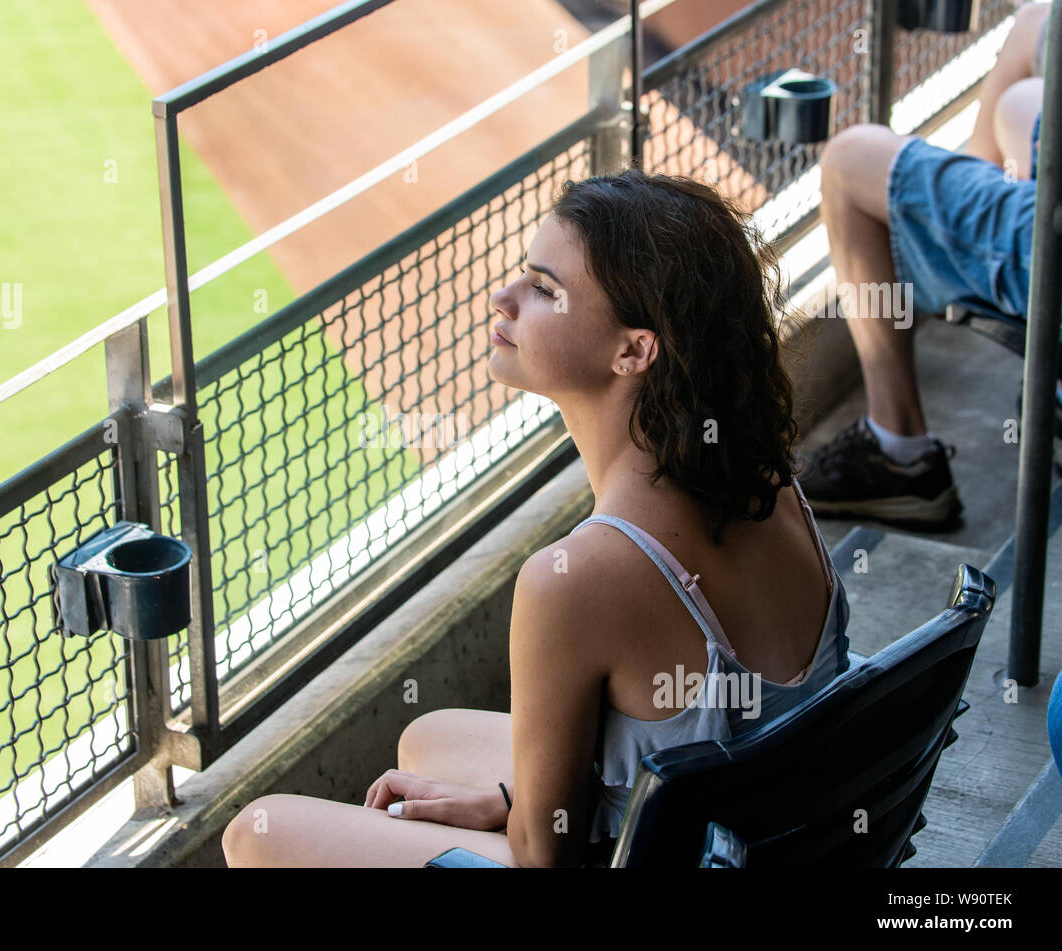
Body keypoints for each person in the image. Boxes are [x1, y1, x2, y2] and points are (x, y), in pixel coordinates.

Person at [220, 169, 851, 867]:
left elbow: (540, 857)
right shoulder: (773, 484)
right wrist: (512, 798)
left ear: (634, 351)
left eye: (546, 290)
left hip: (676, 850)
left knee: (259, 832)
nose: (505, 298)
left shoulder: (577, 577)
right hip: (756, 827)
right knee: (429, 739)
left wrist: (518, 820)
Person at [797, 2, 1053, 527]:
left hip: (1047, 247)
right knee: (1031, 38)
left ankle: (900, 451)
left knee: (848, 159)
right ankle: (964, 261)